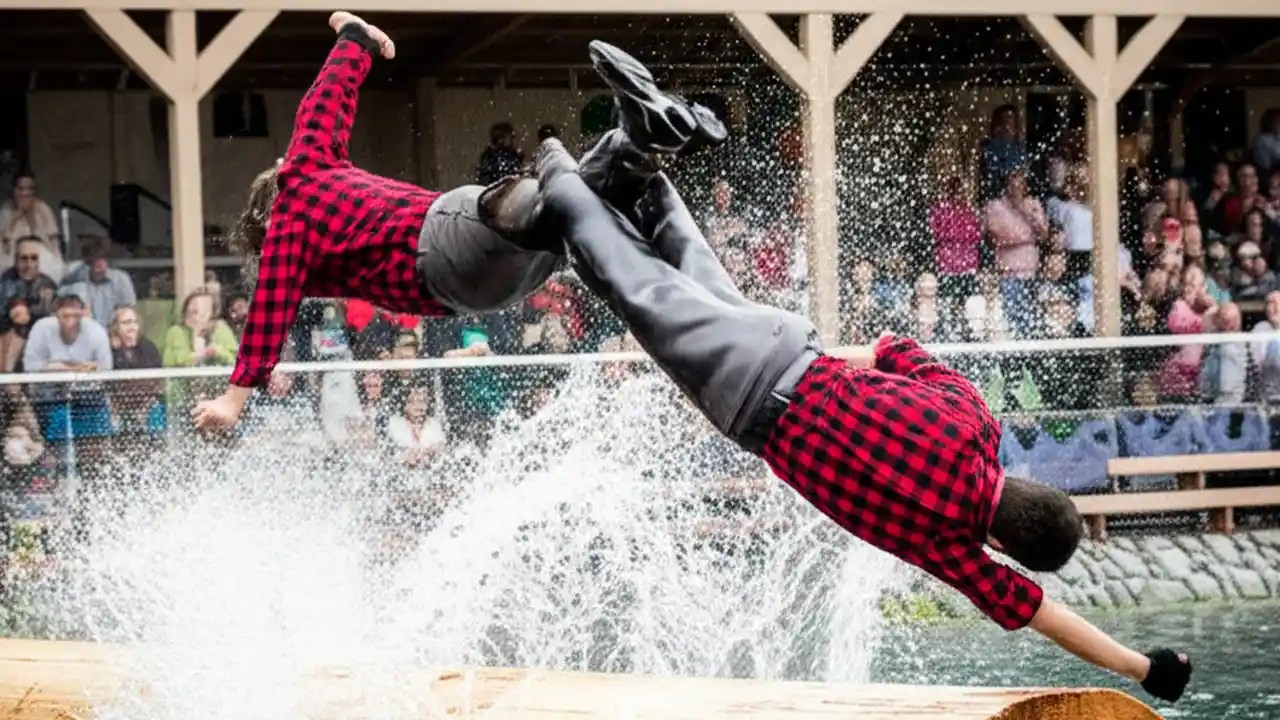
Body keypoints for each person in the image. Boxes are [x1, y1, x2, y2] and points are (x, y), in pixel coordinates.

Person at [533, 41, 1193, 703]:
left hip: (790, 343)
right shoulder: (956, 548)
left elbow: (885, 350)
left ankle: (644, 149)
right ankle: (554, 165)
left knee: (685, 259)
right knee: (630, 279)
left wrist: (807, 358)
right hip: (751, 398)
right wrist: (1144, 668)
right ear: (1002, 542)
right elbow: (1048, 618)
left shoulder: (974, 417)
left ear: (1025, 483)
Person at [192, 12, 724, 432]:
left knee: (571, 216)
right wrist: (353, 36)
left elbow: (267, 317)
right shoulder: (303, 173)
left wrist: (234, 401)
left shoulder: (292, 258)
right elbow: (324, 103)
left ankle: (644, 145)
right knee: (541, 202)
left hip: (472, 294)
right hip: (440, 238)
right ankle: (635, 144)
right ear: (279, 183)